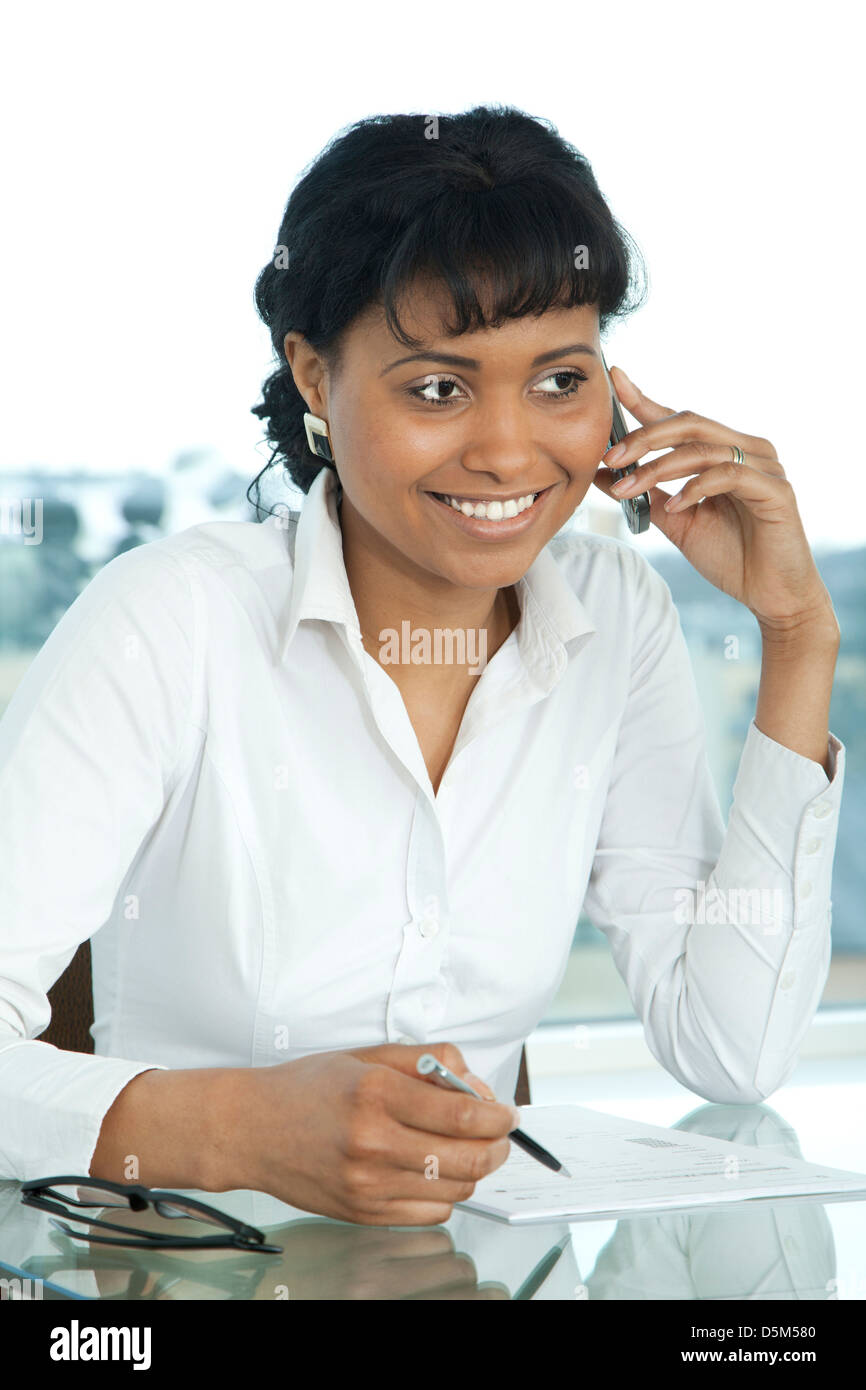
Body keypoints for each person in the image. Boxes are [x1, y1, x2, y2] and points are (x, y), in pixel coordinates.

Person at [0, 106, 844, 1228]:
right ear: (312, 375)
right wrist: (240, 1127)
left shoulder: (616, 620)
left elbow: (728, 1048)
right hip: (192, 1266)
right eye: (436, 388)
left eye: (557, 381)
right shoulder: (170, 621)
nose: (506, 450)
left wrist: (793, 632)